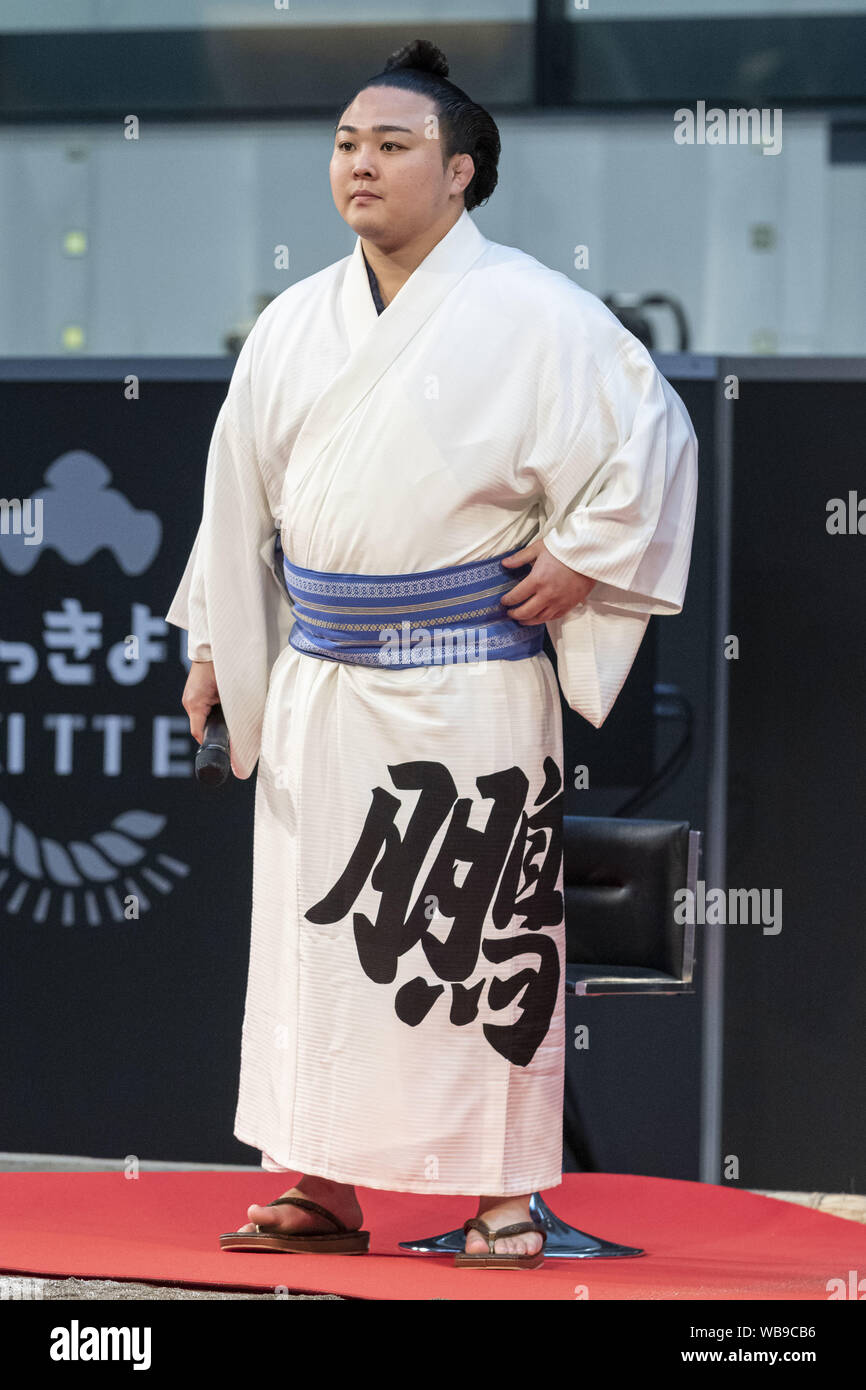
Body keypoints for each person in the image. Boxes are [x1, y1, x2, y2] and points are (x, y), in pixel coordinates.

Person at [165, 38, 698, 1270]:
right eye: (347, 144)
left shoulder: (539, 315)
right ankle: (323, 1184)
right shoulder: (295, 323)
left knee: (471, 941)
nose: (360, 164)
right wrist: (211, 637)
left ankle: (501, 1195)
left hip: (470, 681)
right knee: (316, 949)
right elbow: (234, 504)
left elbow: (650, 444)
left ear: (460, 173)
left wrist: (585, 559)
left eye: (392, 145)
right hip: (322, 680)